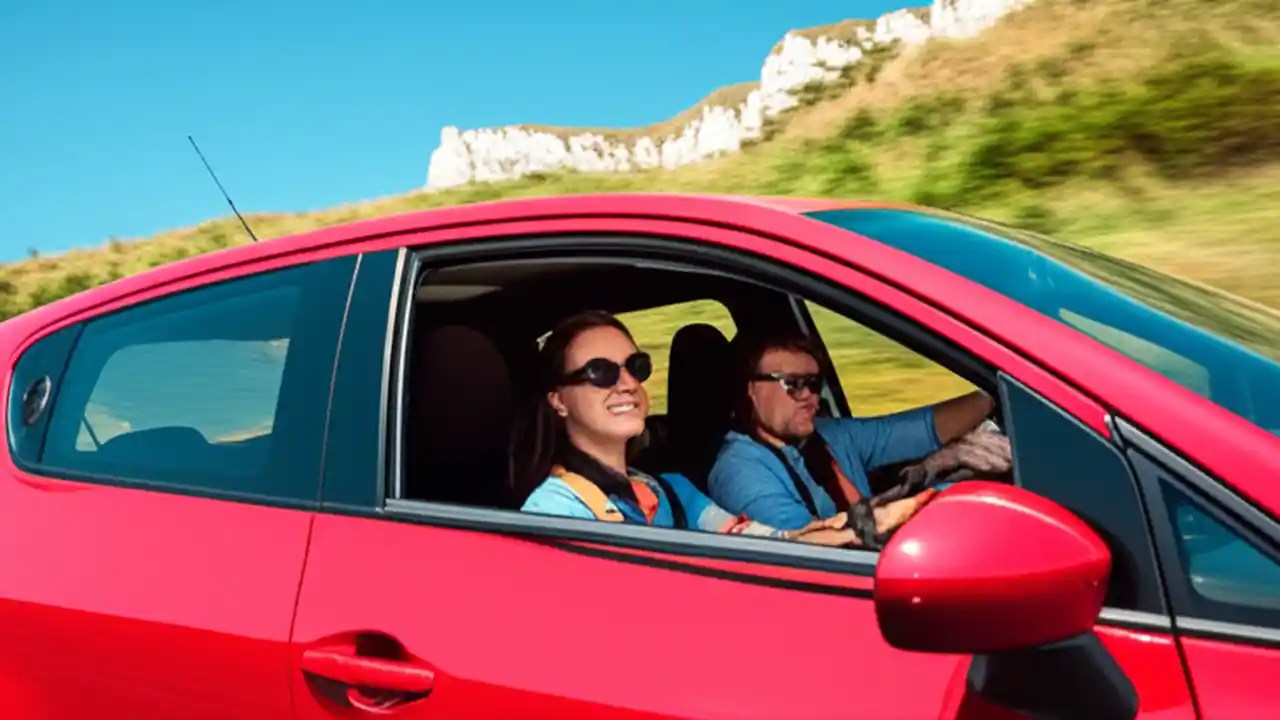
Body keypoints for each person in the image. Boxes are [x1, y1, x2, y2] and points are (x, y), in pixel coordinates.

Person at [509, 310, 856, 546]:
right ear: (558, 400)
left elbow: (765, 541)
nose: (628, 383)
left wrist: (859, 526)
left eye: (636, 366)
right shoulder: (557, 511)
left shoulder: (667, 490)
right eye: (601, 372)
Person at [707, 330, 1012, 541]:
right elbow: (820, 545)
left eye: (815, 384)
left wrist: (996, 394)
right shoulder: (741, 470)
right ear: (750, 389)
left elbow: (922, 428)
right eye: (793, 384)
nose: (810, 397)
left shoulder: (826, 436)